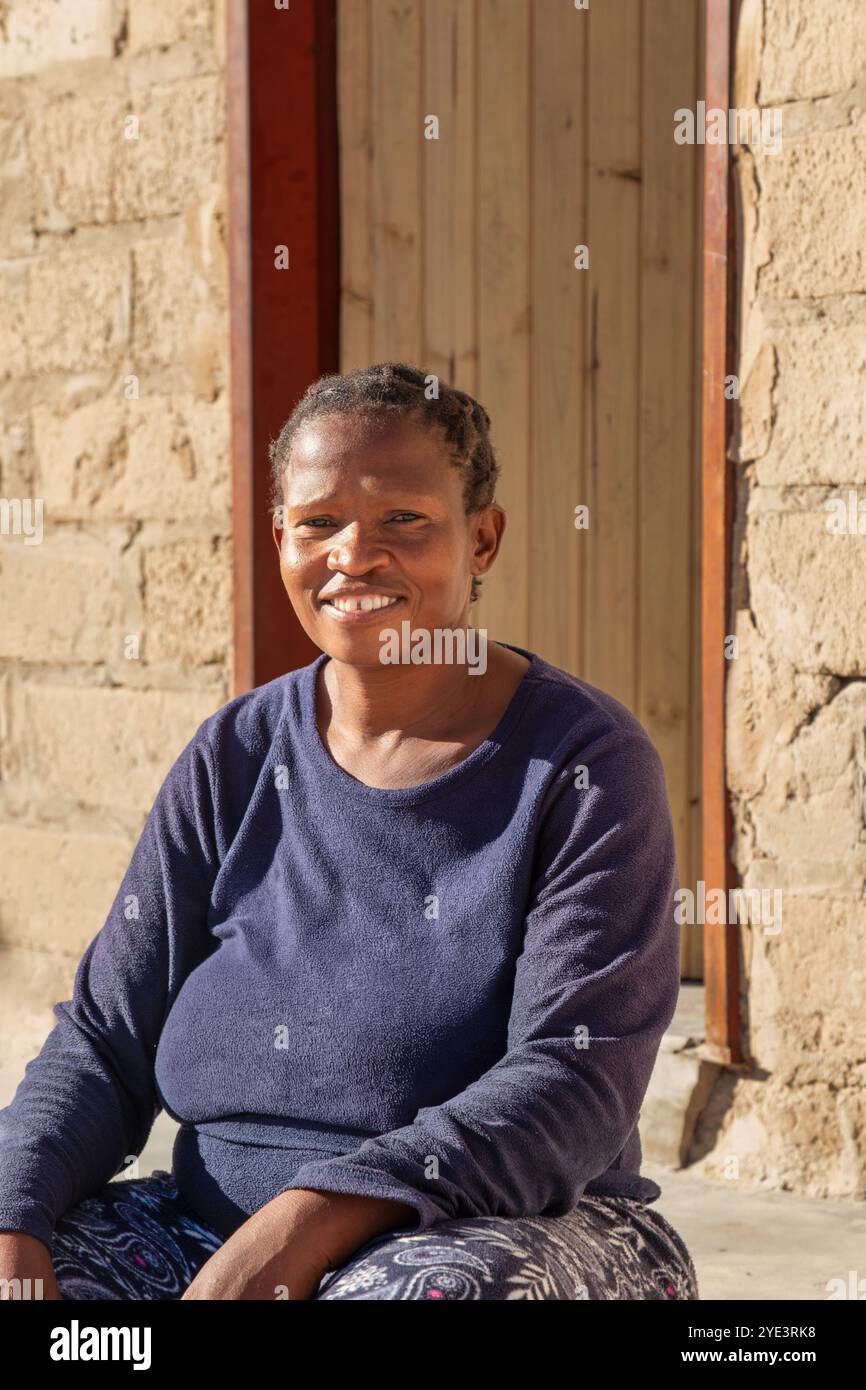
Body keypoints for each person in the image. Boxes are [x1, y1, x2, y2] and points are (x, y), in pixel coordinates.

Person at [0, 362, 699, 1301]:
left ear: (482, 539)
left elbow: (573, 1081)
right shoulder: (236, 755)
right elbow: (103, 1037)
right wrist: (15, 1211)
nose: (354, 555)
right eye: (318, 521)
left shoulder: (583, 764)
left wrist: (309, 1220)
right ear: (281, 536)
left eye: (403, 519)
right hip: (205, 1233)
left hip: (486, 1237)